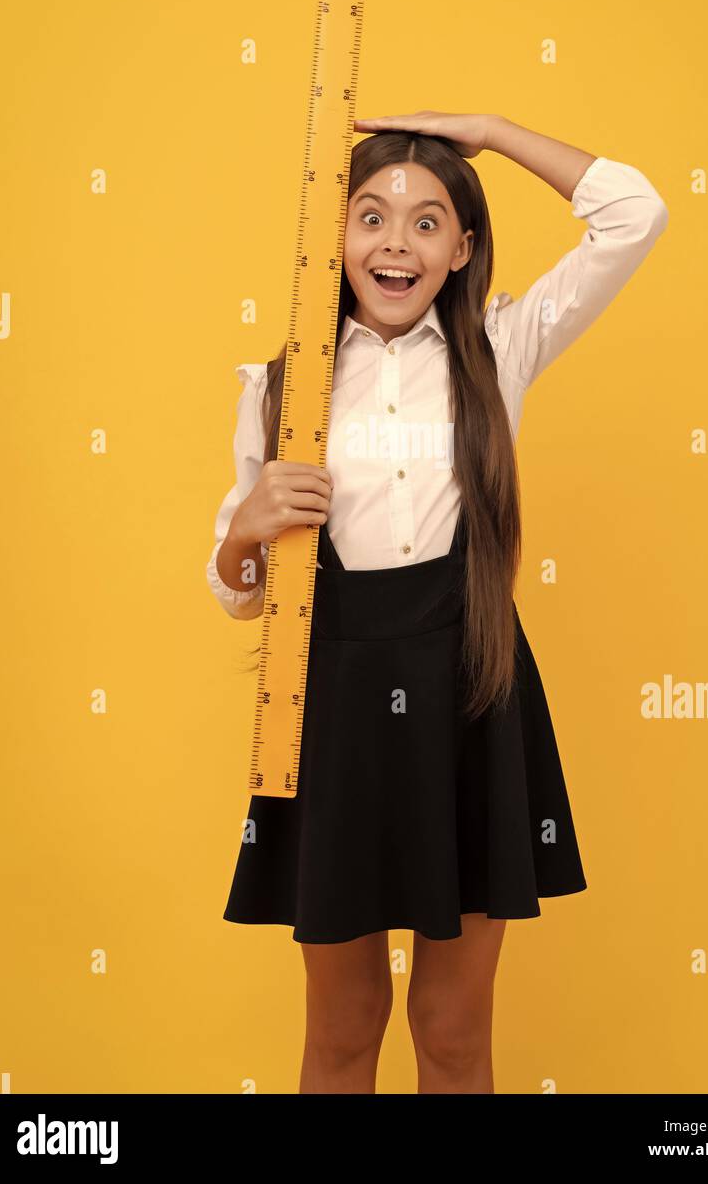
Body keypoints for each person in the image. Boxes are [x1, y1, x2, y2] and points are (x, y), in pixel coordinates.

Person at [206, 111, 669, 1093]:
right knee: (342, 1027)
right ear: (334, 236)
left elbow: (634, 212)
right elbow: (240, 596)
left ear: (461, 249)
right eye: (371, 216)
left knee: (452, 1031)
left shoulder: (501, 347)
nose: (396, 243)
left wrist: (488, 132)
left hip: (469, 694)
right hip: (334, 709)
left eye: (427, 222)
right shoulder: (279, 386)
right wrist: (245, 532)